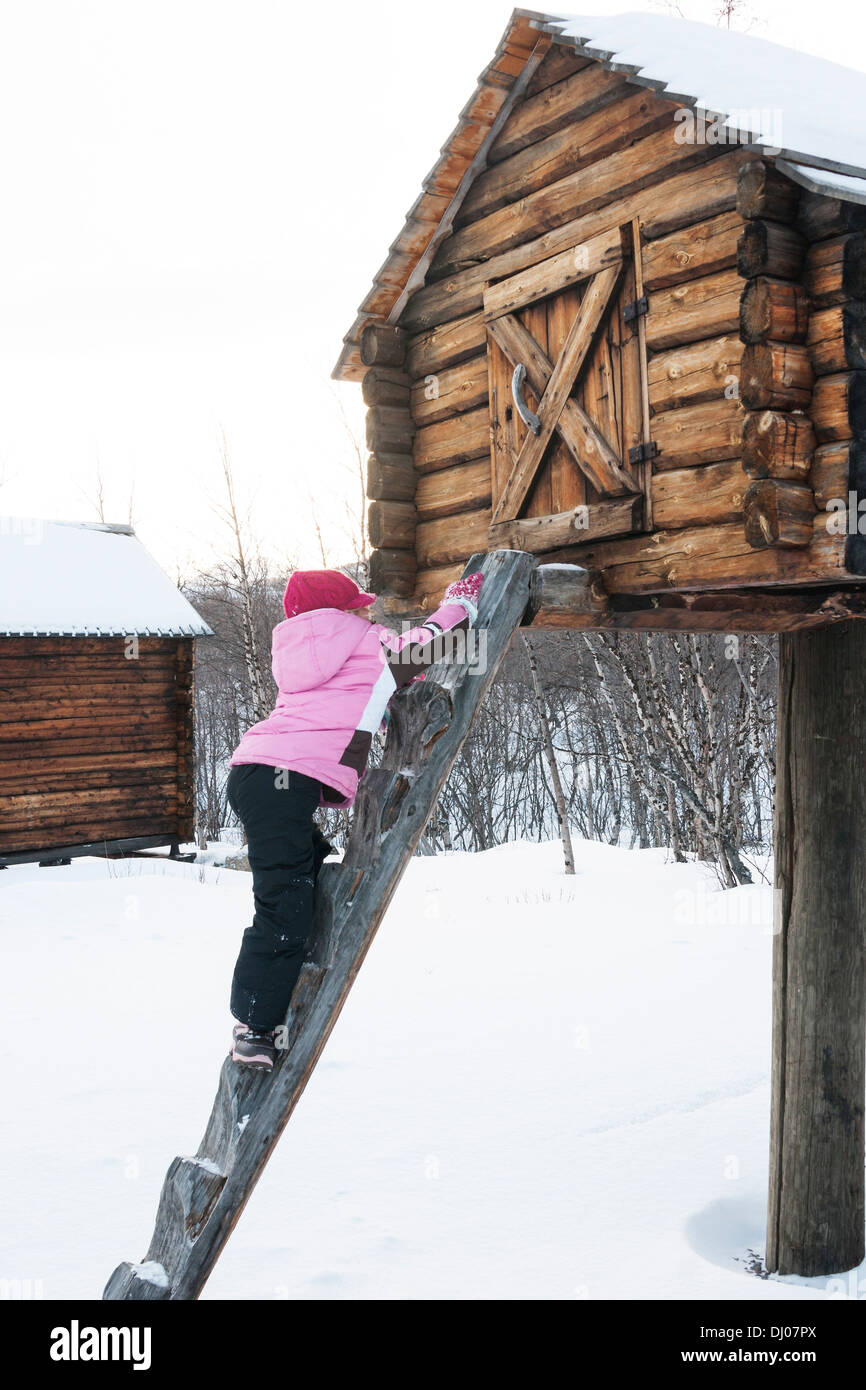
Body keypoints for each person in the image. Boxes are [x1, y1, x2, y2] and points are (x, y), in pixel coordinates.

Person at [226, 566, 484, 1070]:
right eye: (358, 606)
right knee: (283, 907)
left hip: (258, 776)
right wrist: (462, 605)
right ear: (344, 610)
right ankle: (254, 1028)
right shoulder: (365, 641)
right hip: (280, 783)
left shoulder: (294, 653)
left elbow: (339, 701)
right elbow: (426, 646)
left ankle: (266, 1003)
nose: (367, 611)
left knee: (311, 874)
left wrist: (377, 707)